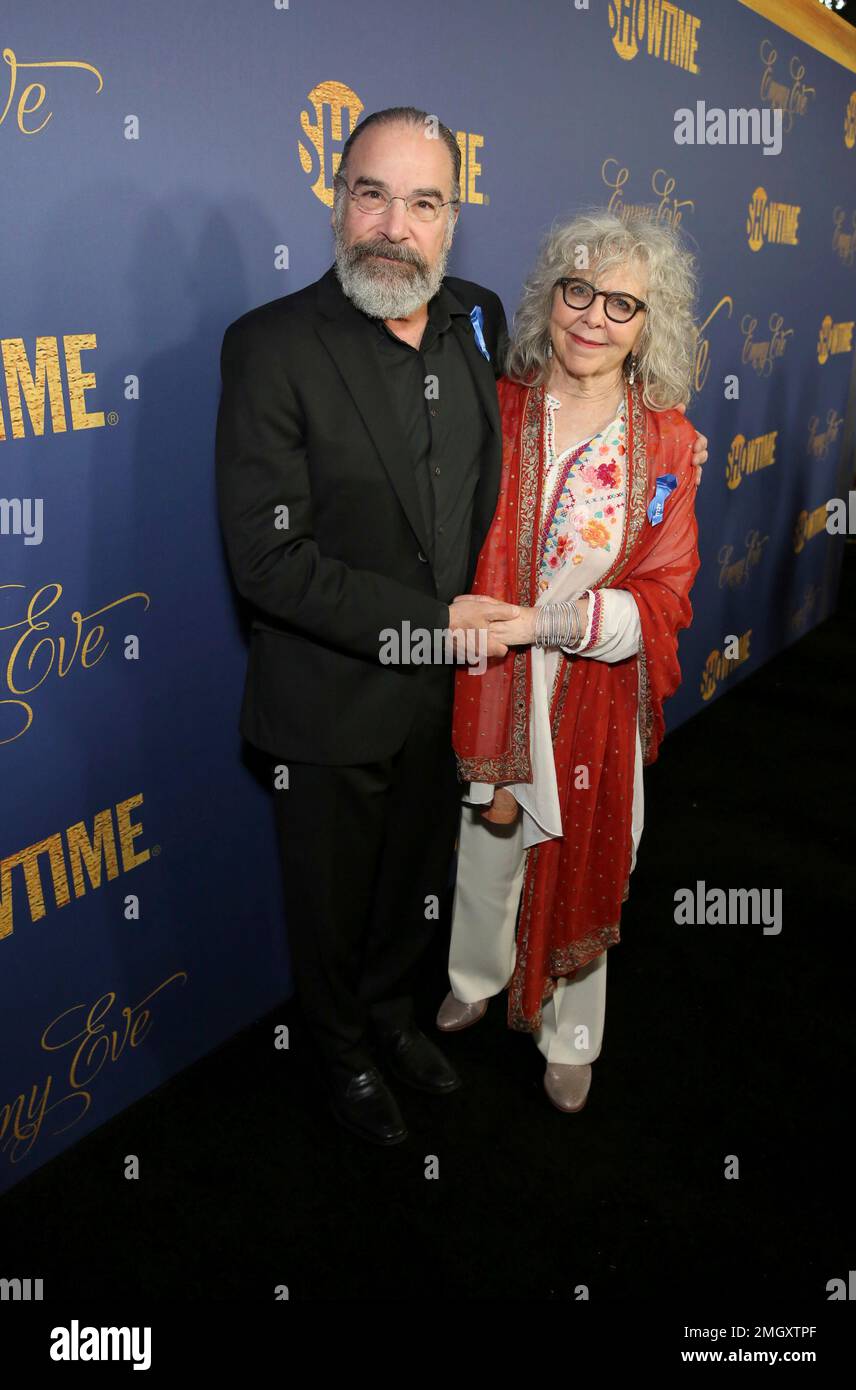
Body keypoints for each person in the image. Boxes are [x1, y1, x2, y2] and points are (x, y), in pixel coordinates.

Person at [216, 108, 708, 1147]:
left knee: (408, 895)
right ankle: (341, 1056)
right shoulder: (269, 346)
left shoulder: (475, 322)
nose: (395, 225)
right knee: (332, 911)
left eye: (423, 202)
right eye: (372, 194)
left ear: (451, 221)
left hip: (447, 706)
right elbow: (266, 564)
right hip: (330, 702)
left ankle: (393, 1023)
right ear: (336, 198)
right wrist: (437, 625)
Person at [437, 209, 702, 1116]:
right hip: (492, 675)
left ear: (648, 322)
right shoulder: (493, 404)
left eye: (622, 303)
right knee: (490, 833)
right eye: (578, 291)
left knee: (587, 846)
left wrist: (561, 623)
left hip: (592, 679)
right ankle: (474, 974)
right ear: (550, 297)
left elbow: (669, 592)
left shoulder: (667, 440)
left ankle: (573, 1030)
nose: (593, 317)